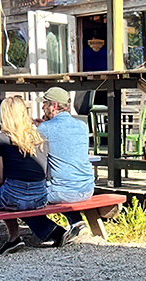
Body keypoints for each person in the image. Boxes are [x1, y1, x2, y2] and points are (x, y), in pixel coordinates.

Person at [0, 95, 55, 258]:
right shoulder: (40, 138)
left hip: (14, 195)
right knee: (5, 200)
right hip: (40, 197)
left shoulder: (0, 139)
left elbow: (0, 177)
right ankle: (13, 238)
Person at [24, 86, 96, 244]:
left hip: (63, 192)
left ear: (54, 106)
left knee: (23, 200)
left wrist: (38, 129)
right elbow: (63, 140)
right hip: (87, 188)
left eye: (45, 104)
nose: (42, 107)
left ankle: (54, 233)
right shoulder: (82, 126)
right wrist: (43, 127)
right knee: (63, 183)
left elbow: (33, 155)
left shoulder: (45, 128)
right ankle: (77, 223)